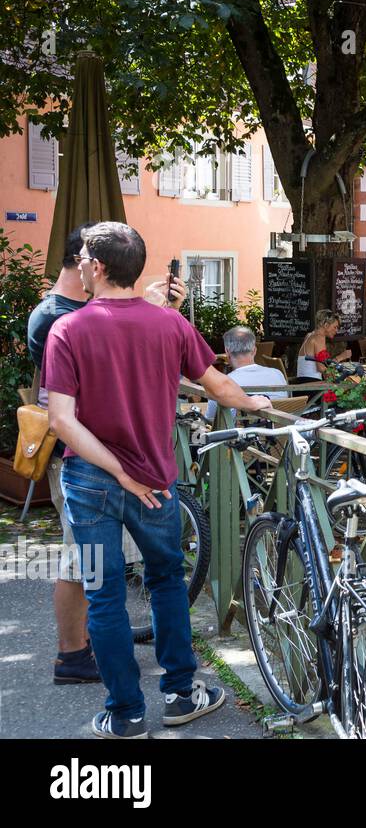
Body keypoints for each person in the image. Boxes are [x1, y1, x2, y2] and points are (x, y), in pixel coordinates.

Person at [45, 221, 273, 738]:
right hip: (155, 482)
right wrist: (259, 403)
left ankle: (124, 714)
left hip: (90, 481)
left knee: (103, 594)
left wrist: (115, 472)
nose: (78, 263)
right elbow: (221, 387)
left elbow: (62, 419)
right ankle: (179, 694)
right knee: (167, 582)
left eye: (82, 257)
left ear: (98, 268)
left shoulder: (70, 328)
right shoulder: (169, 325)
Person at [27, 223, 188, 687]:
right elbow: (95, 372)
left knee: (89, 566)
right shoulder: (56, 316)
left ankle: (87, 653)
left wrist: (157, 313)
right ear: (88, 263)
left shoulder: (76, 312)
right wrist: (148, 313)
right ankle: (74, 655)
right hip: (82, 461)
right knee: (85, 566)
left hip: (100, 460)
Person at [206, 326, 288, 422]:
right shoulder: (277, 375)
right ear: (254, 350)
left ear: (227, 352)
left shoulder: (222, 384)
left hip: (238, 436)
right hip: (278, 435)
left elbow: (210, 420)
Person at [297, 310, 351, 380]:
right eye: (335, 327)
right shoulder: (319, 338)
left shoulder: (309, 335)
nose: (336, 330)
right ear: (326, 325)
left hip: (302, 382)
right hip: (310, 385)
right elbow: (322, 368)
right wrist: (340, 357)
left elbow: (324, 368)